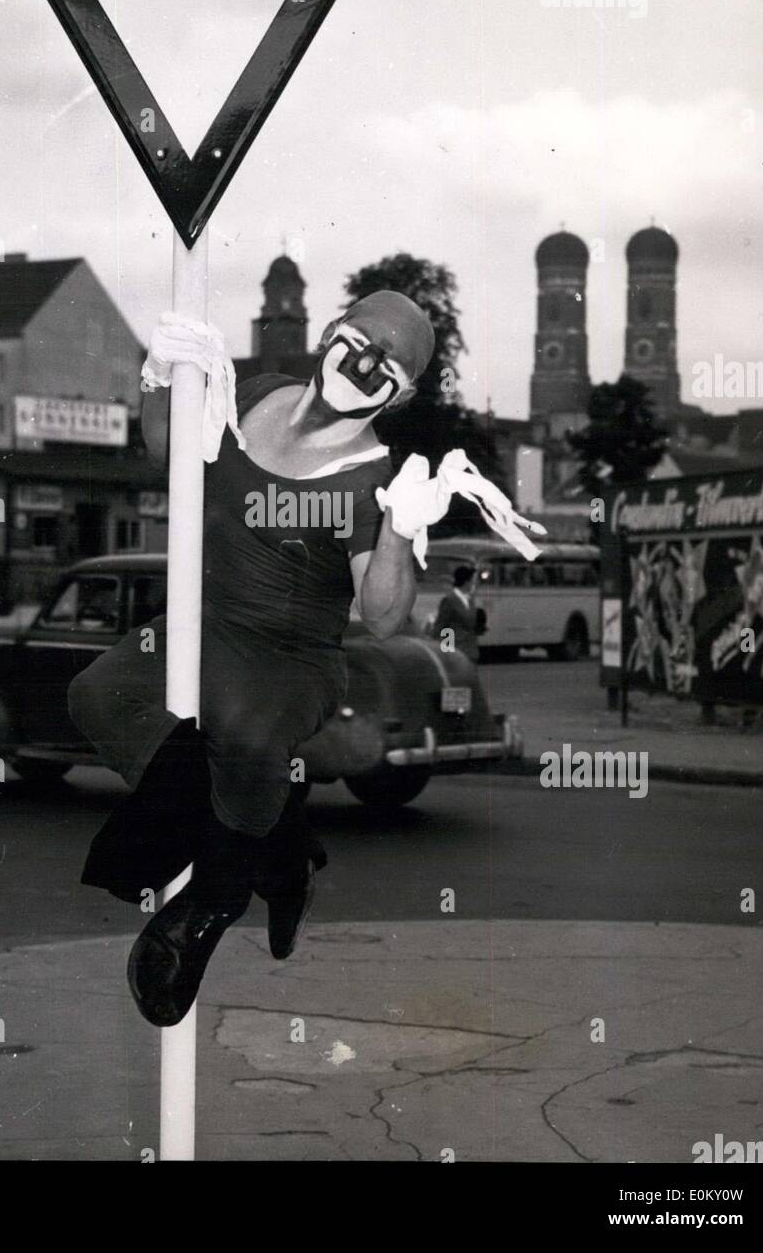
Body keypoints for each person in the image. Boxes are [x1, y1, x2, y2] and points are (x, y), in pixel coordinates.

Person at [67, 290, 438, 1027]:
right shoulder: (259, 393)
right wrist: (159, 378)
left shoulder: (373, 477)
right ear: (332, 330)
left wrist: (401, 527)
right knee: (99, 695)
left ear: (404, 393)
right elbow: (169, 457)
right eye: (361, 338)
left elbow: (386, 615)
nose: (366, 363)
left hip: (289, 656)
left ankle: (210, 905)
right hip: (203, 624)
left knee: (239, 731)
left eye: (389, 363)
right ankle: (282, 842)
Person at [434, 561, 482, 662]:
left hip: (471, 651)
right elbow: (441, 626)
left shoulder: (470, 599)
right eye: (472, 581)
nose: (475, 584)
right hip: (456, 652)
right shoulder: (449, 600)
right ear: (466, 582)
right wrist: (446, 651)